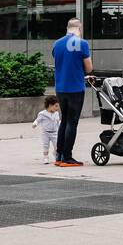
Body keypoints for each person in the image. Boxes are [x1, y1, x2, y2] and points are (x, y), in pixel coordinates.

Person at [52, 17, 93, 167]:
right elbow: (89, 68)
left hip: (60, 88)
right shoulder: (82, 43)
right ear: (79, 29)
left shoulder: (57, 44)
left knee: (64, 121)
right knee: (72, 122)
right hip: (75, 88)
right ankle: (67, 157)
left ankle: (59, 155)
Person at [32, 94, 60, 164]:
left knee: (57, 145)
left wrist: (60, 126)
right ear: (50, 105)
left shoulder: (56, 113)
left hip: (55, 132)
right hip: (45, 133)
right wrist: (35, 123)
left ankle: (55, 154)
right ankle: (46, 157)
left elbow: (58, 121)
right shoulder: (42, 114)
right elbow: (38, 120)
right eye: (56, 106)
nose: (57, 108)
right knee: (46, 145)